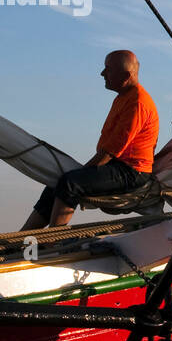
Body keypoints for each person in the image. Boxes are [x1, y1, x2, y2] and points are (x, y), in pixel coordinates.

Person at [22, 50, 160, 230]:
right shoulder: (124, 97)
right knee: (55, 182)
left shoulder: (138, 103)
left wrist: (81, 172)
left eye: (108, 69)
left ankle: (52, 239)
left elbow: (109, 153)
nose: (102, 74)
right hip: (116, 166)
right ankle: (24, 236)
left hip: (132, 172)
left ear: (125, 75)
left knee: (70, 183)